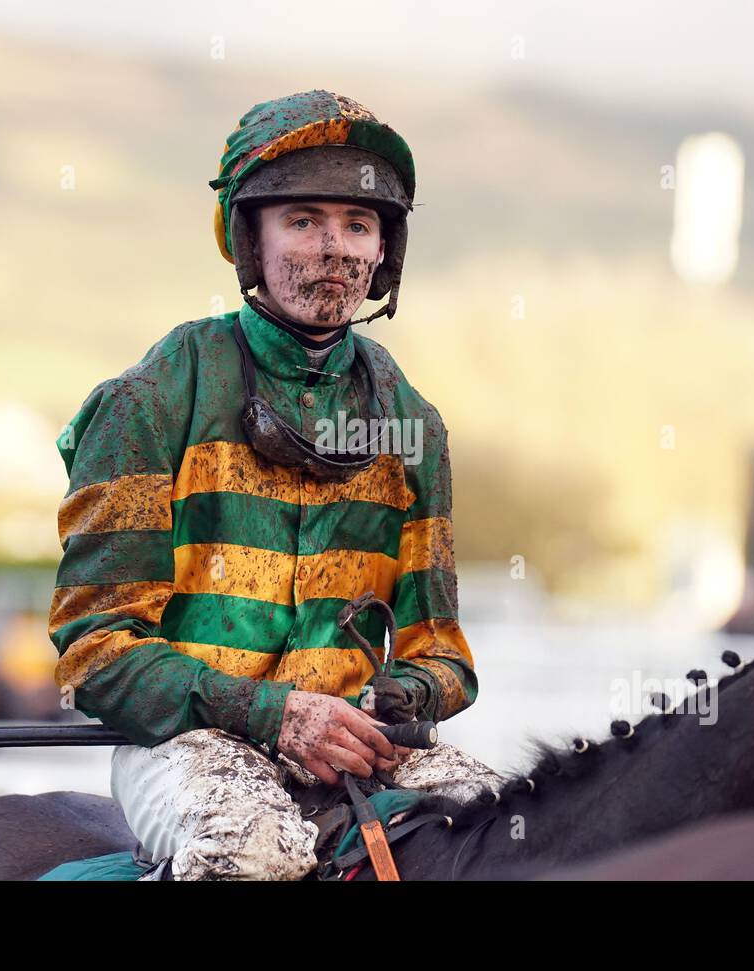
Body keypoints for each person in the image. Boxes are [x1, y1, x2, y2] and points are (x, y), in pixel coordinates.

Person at [48, 90, 502, 880]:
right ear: (248, 241)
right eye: (304, 221)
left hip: (360, 747)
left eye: (358, 225)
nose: (336, 247)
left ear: (383, 252)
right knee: (254, 855)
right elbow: (96, 652)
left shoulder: (416, 429)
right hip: (185, 748)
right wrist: (277, 713)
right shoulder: (151, 399)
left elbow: (443, 654)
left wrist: (401, 698)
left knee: (512, 829)